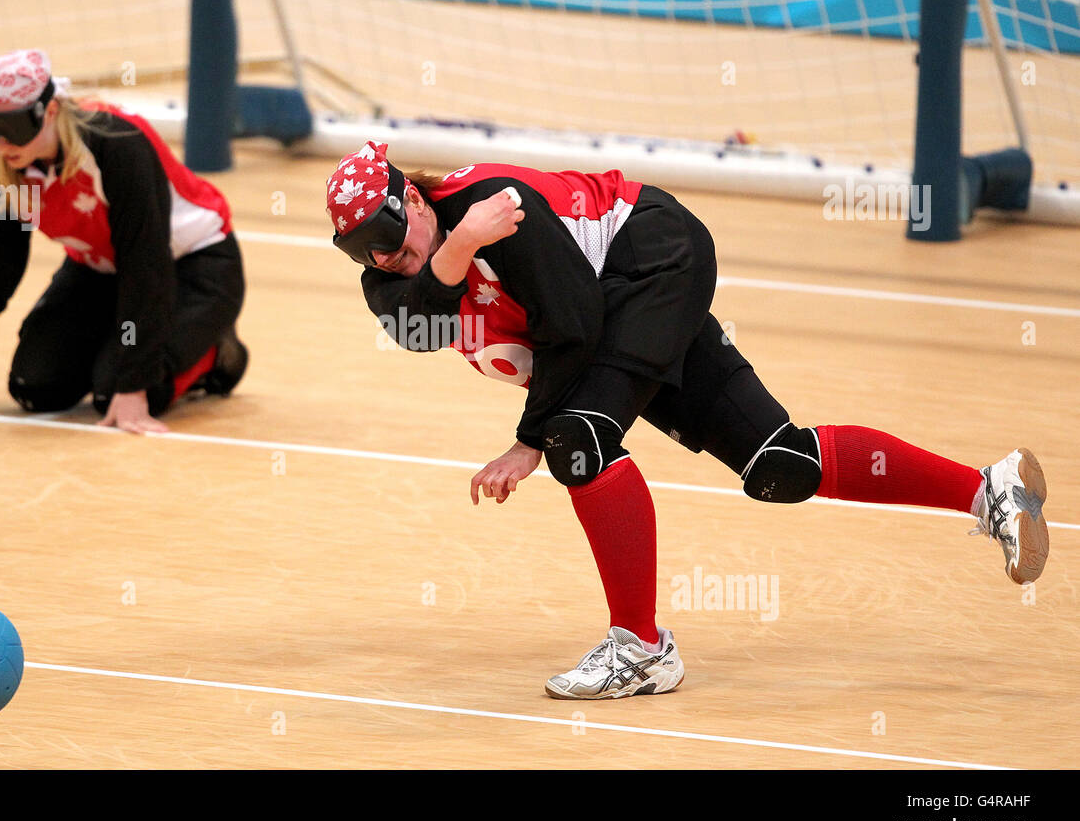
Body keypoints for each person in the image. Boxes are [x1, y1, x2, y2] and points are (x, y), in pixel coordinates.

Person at [326, 141, 1049, 699]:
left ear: (414, 197)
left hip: (652, 253)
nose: (388, 256)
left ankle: (640, 650)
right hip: (619, 299)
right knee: (779, 466)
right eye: (368, 251)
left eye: (392, 231)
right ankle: (991, 491)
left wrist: (528, 442)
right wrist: (454, 248)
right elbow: (414, 321)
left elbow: (573, 328)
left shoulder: (500, 207)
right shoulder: (398, 276)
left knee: (575, 437)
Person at [0, 49, 248, 433]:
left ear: (48, 112)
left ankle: (214, 352)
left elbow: (146, 264)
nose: (1, 143)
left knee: (119, 392)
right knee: (35, 388)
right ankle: (115, 350)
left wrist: (133, 384)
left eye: (13, 127)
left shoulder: (117, 144)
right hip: (102, 271)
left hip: (194, 267)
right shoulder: (0, 161)